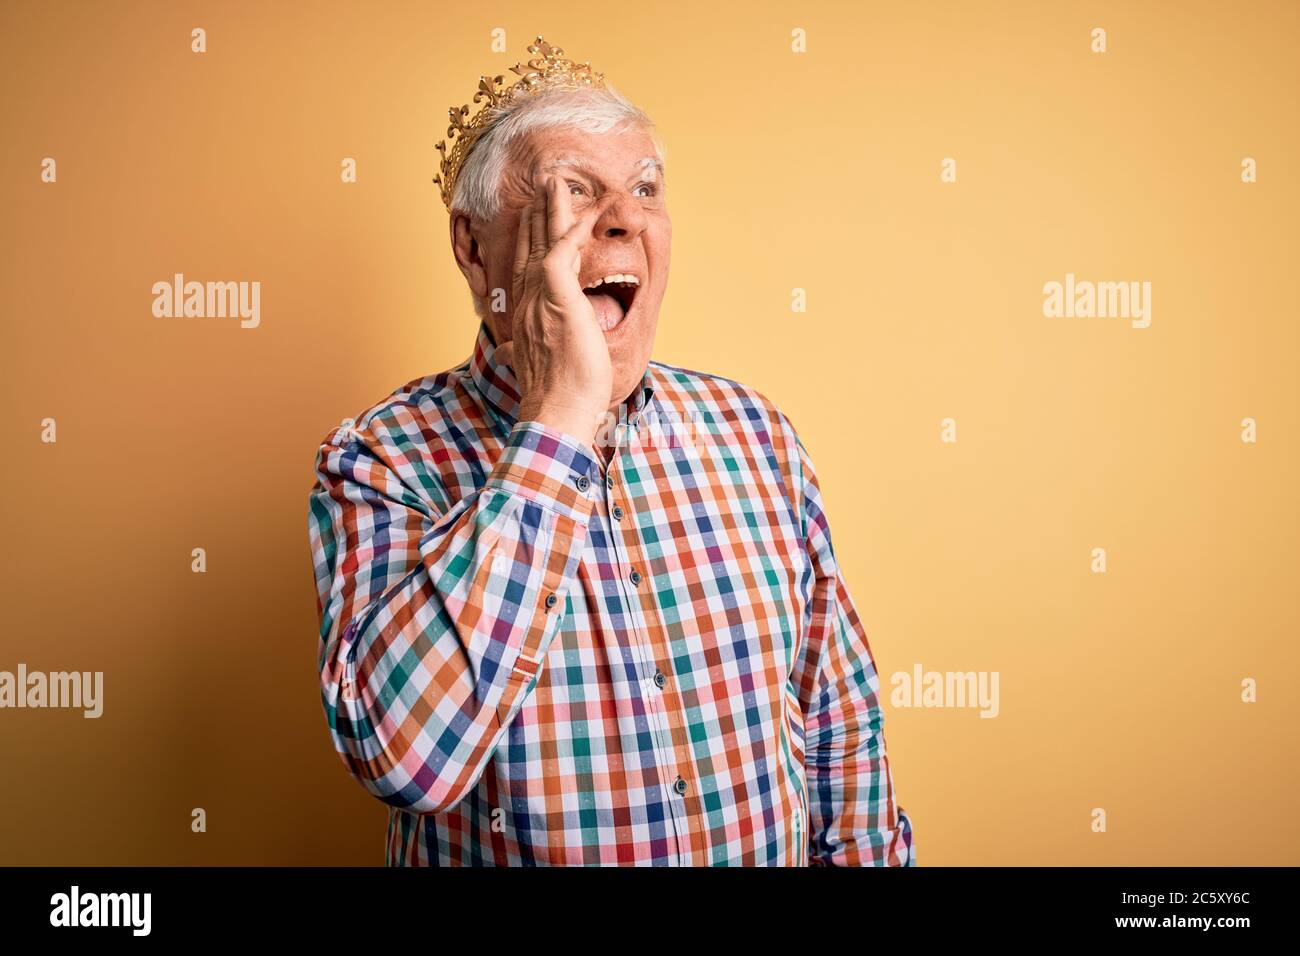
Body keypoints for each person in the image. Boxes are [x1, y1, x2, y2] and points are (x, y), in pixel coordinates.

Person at [308, 36, 913, 866]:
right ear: (474, 246)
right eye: (572, 192)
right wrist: (557, 419)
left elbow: (839, 720)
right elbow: (405, 761)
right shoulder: (381, 459)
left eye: (644, 189)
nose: (623, 215)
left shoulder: (755, 433)